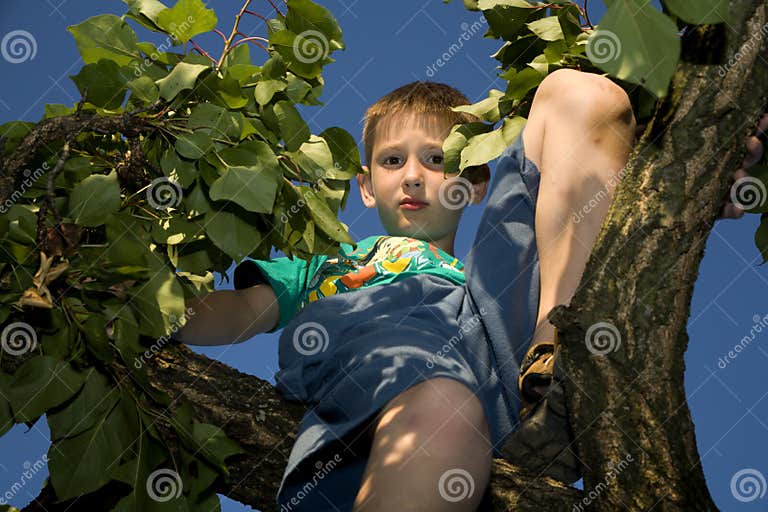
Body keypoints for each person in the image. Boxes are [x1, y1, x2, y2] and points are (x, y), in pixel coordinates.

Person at [176, 70, 766, 512]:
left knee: (580, 94)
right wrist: (140, 305)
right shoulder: (327, 265)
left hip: (498, 357)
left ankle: (555, 359)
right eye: (392, 160)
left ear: (474, 181)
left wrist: (684, 182)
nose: (413, 175)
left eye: (438, 160)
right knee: (443, 413)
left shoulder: (495, 273)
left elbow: (579, 202)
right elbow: (236, 315)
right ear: (364, 186)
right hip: (388, 401)